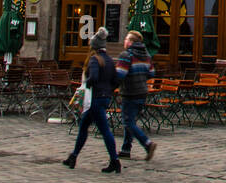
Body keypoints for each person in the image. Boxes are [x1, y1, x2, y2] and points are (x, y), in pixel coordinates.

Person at [62, 28, 121, 173]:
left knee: (105, 130)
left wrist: (86, 85)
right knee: (83, 127)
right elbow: (116, 80)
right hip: (104, 98)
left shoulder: (95, 60)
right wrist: (109, 90)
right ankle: (73, 156)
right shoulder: (109, 60)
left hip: (95, 100)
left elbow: (93, 77)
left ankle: (115, 160)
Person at [114, 30, 156, 161]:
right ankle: (126, 149)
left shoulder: (126, 55)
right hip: (142, 92)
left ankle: (147, 144)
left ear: (131, 42)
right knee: (130, 120)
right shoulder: (146, 55)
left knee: (128, 122)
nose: (124, 41)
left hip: (130, 92)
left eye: (126, 39)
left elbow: (120, 74)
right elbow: (152, 73)